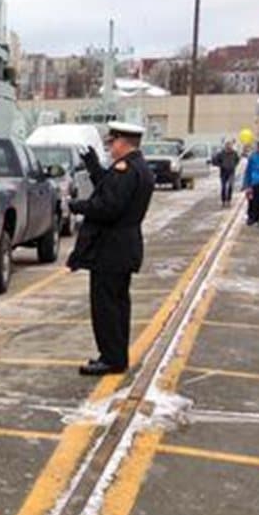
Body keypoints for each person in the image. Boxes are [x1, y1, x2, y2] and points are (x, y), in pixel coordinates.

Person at [68, 122, 154, 376]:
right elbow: (110, 187)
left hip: (111, 248)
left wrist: (78, 206)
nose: (109, 147)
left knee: (107, 307)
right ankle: (116, 355)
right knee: (117, 305)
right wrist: (93, 165)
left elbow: (109, 207)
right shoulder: (135, 167)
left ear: (123, 142)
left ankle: (111, 358)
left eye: (112, 142)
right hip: (123, 246)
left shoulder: (126, 169)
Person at [211, 140, 240, 207]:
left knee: (230, 186)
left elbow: (237, 160)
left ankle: (229, 200)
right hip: (223, 172)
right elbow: (215, 161)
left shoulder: (234, 153)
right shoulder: (221, 153)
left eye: (230, 145)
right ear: (225, 146)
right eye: (227, 145)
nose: (229, 147)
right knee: (223, 187)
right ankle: (223, 201)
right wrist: (221, 165)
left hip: (231, 172)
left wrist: (234, 165)